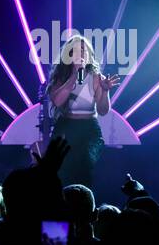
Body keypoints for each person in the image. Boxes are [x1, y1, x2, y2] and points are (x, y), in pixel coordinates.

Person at [46, 35, 119, 191]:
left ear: (90, 56)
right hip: (66, 127)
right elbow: (57, 101)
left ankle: (85, 206)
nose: (81, 54)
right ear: (69, 54)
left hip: (88, 129)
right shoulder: (61, 77)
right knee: (61, 171)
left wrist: (105, 91)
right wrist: (74, 75)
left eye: (84, 51)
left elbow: (103, 111)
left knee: (85, 169)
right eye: (77, 50)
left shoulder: (97, 78)